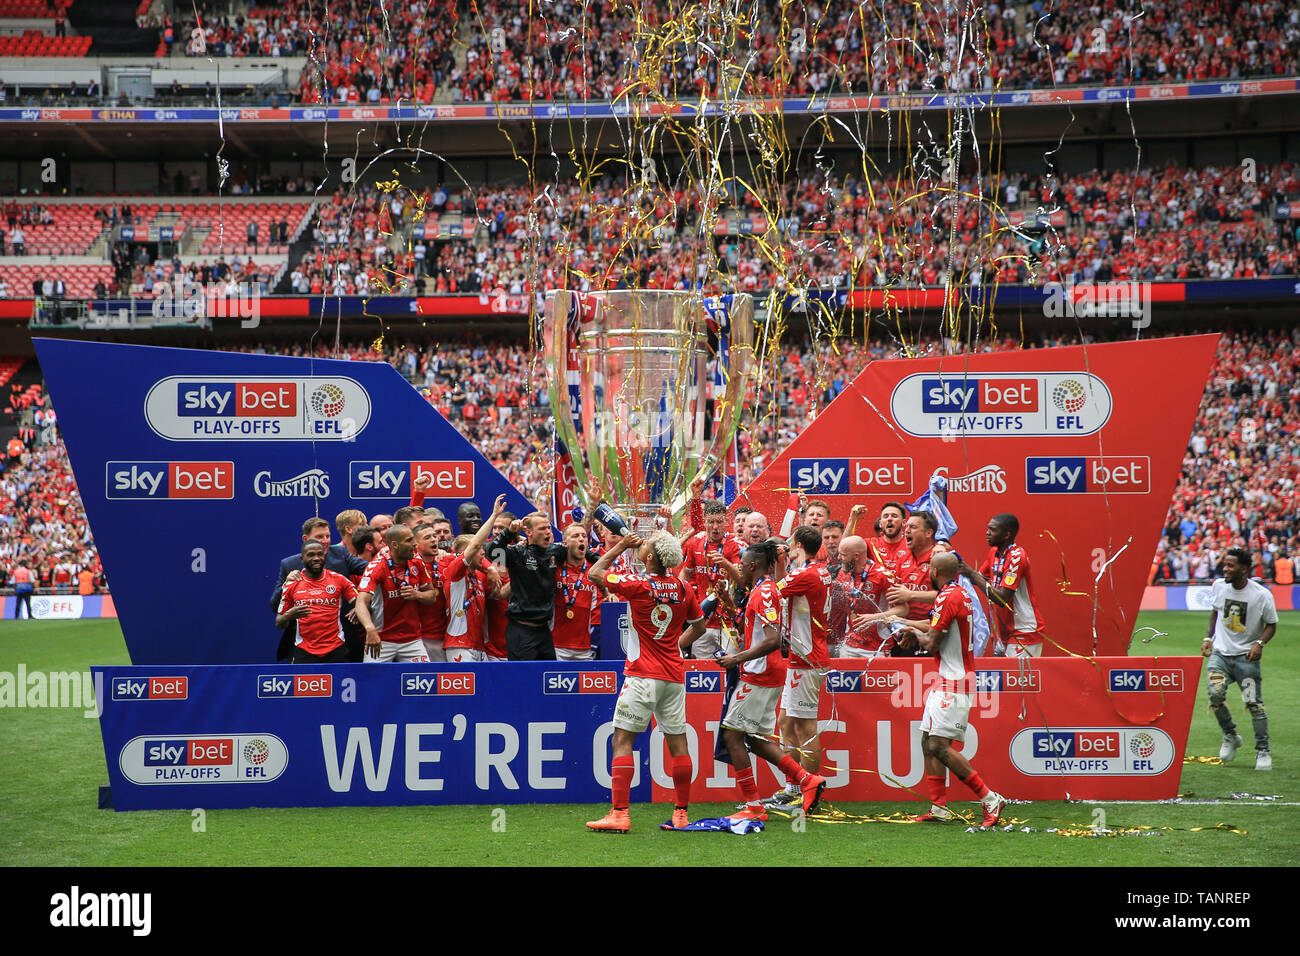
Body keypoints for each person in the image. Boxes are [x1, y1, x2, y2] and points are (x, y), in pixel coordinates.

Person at [586, 531, 707, 832]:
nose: (642, 544)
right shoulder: (683, 587)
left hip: (641, 675)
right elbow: (700, 627)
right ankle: (681, 813)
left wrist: (619, 546)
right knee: (678, 744)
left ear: (651, 557)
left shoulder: (638, 585)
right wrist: (676, 645)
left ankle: (620, 813)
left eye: (646, 544)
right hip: (673, 677)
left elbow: (594, 573)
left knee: (623, 741)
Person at [889, 552, 1007, 826]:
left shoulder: (948, 597)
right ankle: (939, 806)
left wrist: (913, 633)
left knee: (939, 746)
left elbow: (932, 643)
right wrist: (908, 626)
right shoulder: (955, 593)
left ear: (934, 571)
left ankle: (990, 798)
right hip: (947, 679)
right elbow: (936, 629)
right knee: (927, 741)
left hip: (955, 681)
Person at [717, 541, 827, 821]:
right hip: (766, 673)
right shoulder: (762, 589)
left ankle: (754, 806)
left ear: (752, 565)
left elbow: (773, 639)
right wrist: (730, 607)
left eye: (741, 563)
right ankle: (805, 780)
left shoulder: (765, 591)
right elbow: (755, 628)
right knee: (752, 739)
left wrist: (737, 658)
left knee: (732, 736)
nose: (738, 566)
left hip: (760, 674)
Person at [764, 525, 832, 810]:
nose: (788, 546)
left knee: (806, 728)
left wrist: (777, 563)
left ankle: (810, 790)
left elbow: (773, 591)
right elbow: (786, 587)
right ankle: (793, 786)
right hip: (800, 656)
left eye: (791, 543)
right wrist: (783, 562)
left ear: (800, 545)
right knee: (785, 722)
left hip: (807, 658)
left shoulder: (806, 574)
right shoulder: (814, 571)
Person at [491, 483, 600, 660]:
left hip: (544, 633)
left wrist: (592, 506)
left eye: (549, 527)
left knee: (548, 683)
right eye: (543, 528)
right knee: (526, 682)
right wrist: (509, 533)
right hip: (521, 629)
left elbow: (578, 536)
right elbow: (493, 552)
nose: (548, 532)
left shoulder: (555, 552)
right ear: (529, 532)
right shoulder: (517, 553)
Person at [1202, 547, 1278, 771]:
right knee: (1215, 694)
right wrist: (1208, 637)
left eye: (1230, 565)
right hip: (1221, 655)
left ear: (1243, 570)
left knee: (1253, 703)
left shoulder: (1261, 595)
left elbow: (1271, 625)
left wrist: (1259, 643)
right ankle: (1230, 735)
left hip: (1246, 658)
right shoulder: (1219, 587)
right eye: (1225, 564)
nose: (1225, 569)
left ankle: (1263, 751)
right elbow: (1215, 611)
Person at [959, 513, 1046, 657]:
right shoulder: (994, 552)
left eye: (993, 530)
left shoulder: (1017, 556)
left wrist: (972, 574)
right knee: (1001, 679)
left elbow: (1002, 599)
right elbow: (978, 579)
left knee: (1018, 679)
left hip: (1024, 633)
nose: (987, 533)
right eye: (988, 529)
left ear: (1007, 535)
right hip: (1002, 633)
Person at [354, 525, 439, 662]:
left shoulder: (416, 561)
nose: (414, 544)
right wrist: (370, 629)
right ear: (395, 545)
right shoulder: (377, 566)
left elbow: (431, 595)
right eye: (409, 540)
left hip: (412, 640)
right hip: (382, 639)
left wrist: (417, 594)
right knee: (372, 681)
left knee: (425, 680)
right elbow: (361, 601)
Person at [441, 495, 508, 663]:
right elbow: (476, 544)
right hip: (459, 645)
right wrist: (494, 516)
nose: (484, 553)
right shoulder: (454, 572)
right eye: (479, 551)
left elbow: (499, 594)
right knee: (464, 690)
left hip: (479, 647)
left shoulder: (479, 575)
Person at [679, 499, 743, 659]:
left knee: (731, 669)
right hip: (702, 622)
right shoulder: (695, 544)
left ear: (727, 522)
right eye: (711, 522)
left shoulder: (735, 545)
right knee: (701, 673)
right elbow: (685, 574)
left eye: (719, 522)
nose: (715, 527)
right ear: (704, 522)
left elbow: (742, 580)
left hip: (728, 621)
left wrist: (726, 564)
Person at [275, 541, 357, 663]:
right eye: (311, 555)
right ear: (302, 559)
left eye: (320, 554)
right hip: (304, 650)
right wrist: (288, 615)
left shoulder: (339, 580)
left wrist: (359, 608)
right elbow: (279, 623)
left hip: (336, 649)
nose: (316, 558)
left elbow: (362, 602)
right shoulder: (291, 583)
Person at [829, 535, 906, 658]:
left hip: (877, 648)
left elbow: (903, 610)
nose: (839, 558)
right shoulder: (844, 574)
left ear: (856, 556)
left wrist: (875, 617)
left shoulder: (883, 576)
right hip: (848, 646)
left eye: (843, 555)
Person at [886, 510, 940, 656]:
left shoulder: (939, 558)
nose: (907, 531)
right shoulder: (902, 558)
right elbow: (895, 597)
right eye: (906, 527)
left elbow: (947, 596)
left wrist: (910, 595)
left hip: (932, 635)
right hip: (904, 635)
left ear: (929, 533)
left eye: (913, 527)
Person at [552, 522, 601, 660]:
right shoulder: (555, 567)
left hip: (585, 648)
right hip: (557, 647)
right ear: (565, 543)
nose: (581, 539)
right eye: (575, 536)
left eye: (584, 536)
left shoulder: (593, 571)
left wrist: (610, 593)